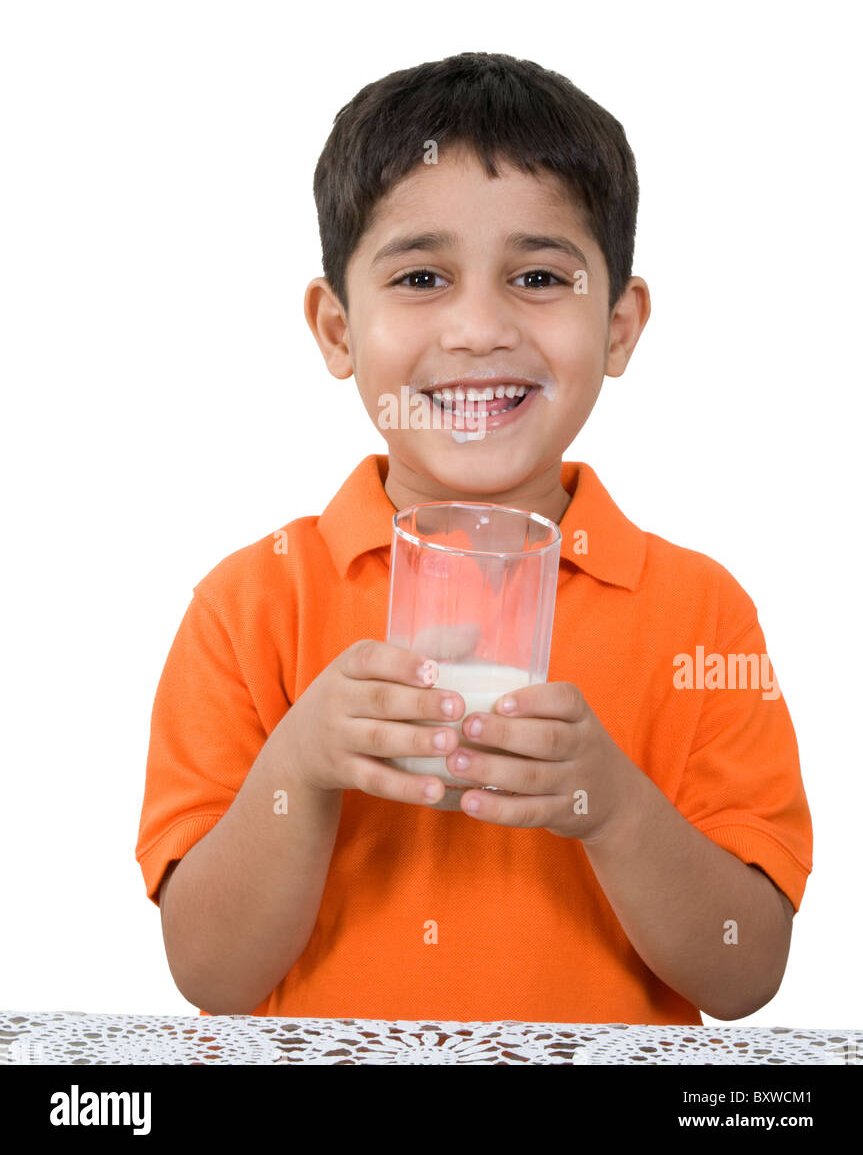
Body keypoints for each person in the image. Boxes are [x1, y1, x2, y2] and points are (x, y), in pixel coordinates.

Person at [136, 52, 812, 1023]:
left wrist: (613, 808)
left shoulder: (698, 610)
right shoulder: (250, 605)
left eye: (537, 275)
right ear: (335, 330)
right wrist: (299, 767)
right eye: (420, 276)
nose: (477, 326)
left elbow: (744, 971)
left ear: (618, 327)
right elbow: (209, 973)